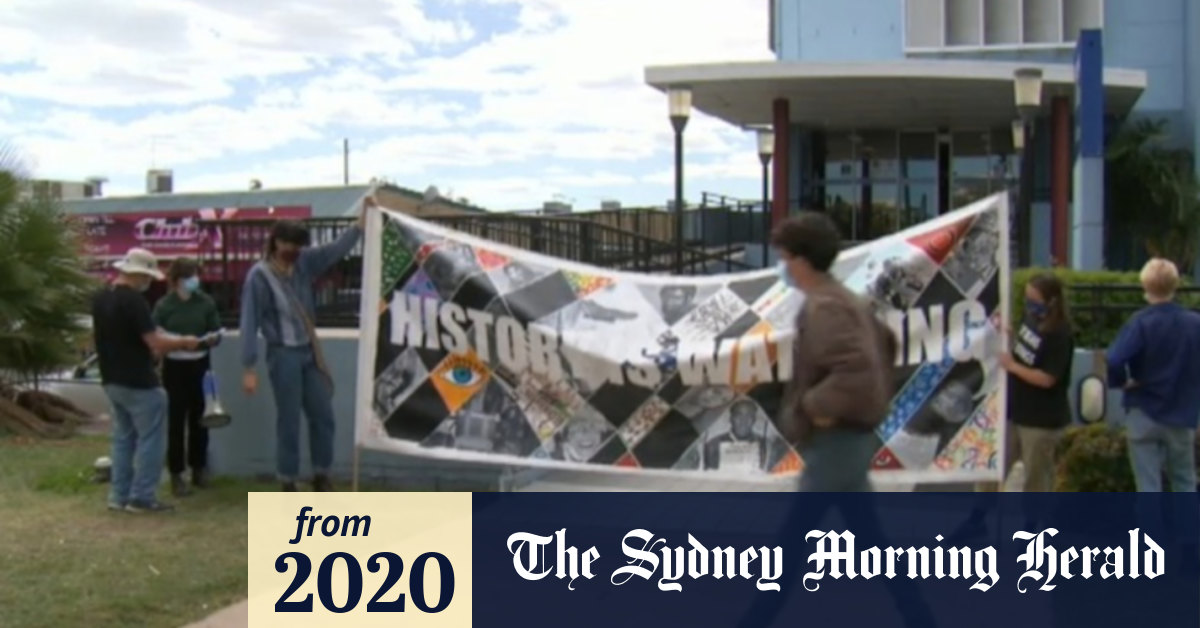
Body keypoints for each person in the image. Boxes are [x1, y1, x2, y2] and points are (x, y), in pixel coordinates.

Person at [240, 196, 374, 492]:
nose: (293, 252)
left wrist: (360, 221)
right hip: (282, 354)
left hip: (308, 353)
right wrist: (249, 365)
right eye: (289, 245)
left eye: (298, 246)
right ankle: (287, 479)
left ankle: (321, 474)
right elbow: (249, 321)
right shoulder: (259, 277)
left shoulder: (304, 264)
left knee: (322, 414)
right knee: (288, 419)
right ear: (275, 242)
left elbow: (335, 250)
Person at [773, 211, 898, 492]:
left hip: (837, 436)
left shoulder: (826, 306)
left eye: (784, 258)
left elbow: (856, 368)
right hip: (848, 436)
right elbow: (886, 342)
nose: (781, 266)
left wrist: (815, 405)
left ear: (802, 262)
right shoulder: (842, 297)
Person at [93, 248, 202, 513]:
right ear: (139, 274)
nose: (149, 283)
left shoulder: (100, 298)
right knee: (151, 439)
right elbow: (154, 342)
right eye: (148, 277)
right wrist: (184, 342)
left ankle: (118, 495)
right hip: (139, 380)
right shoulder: (134, 301)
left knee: (122, 438)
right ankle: (142, 496)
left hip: (111, 377)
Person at [1106, 258, 1200, 492]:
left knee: (1148, 486)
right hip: (1181, 410)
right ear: (1175, 285)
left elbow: (1115, 358)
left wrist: (1122, 382)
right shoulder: (1193, 323)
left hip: (1143, 407)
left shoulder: (1141, 322)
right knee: (1184, 480)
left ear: (1146, 286)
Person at [997, 273, 1074, 491]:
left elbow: (1047, 378)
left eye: (1034, 299)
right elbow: (1024, 352)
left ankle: (1034, 524)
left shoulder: (1060, 335)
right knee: (993, 470)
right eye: (1027, 298)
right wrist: (1009, 337)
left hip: (1041, 420)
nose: (1029, 304)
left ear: (1051, 301)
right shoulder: (1030, 318)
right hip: (1015, 412)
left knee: (1036, 480)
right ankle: (978, 517)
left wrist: (1012, 367)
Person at [153, 258, 222, 497]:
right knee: (175, 422)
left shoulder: (205, 302)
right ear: (175, 281)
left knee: (200, 420)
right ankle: (176, 473)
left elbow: (216, 329)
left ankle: (199, 468)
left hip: (200, 364)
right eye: (188, 277)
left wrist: (213, 337)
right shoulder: (164, 306)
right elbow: (156, 332)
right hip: (174, 366)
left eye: (195, 276)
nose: (193, 281)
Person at [703, 399, 767, 471]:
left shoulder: (764, 444)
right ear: (731, 419)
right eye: (739, 416)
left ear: (754, 420)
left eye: (749, 416)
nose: (743, 421)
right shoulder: (713, 445)